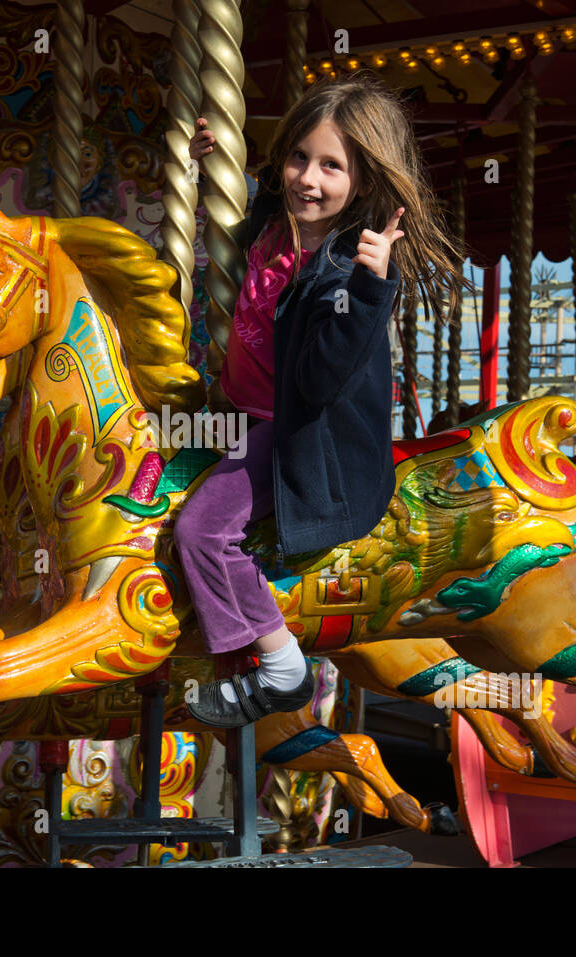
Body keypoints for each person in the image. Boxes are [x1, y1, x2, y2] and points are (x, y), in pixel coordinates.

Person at [174, 76, 465, 728]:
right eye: (300, 157)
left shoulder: (341, 269)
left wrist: (369, 288)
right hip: (241, 410)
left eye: (332, 166)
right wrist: (220, 158)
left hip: (297, 431)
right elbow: (253, 203)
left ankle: (279, 662)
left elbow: (323, 376)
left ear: (362, 182)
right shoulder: (278, 228)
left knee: (202, 530)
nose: (309, 177)